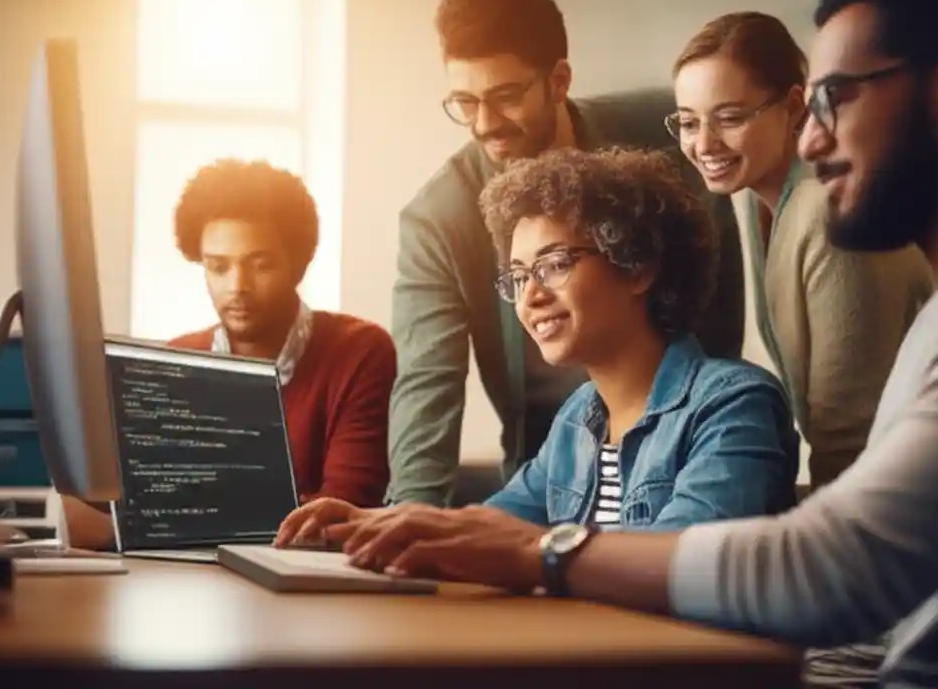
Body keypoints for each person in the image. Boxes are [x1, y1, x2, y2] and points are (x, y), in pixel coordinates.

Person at [281, 0, 938, 685]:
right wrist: (392, 525)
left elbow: (842, 566)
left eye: (834, 98)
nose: (812, 138)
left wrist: (540, 552)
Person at [276, 147, 798, 549]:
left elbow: (684, 560)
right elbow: (496, 521)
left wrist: (532, 551)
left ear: (638, 265)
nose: (531, 296)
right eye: (519, 276)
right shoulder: (579, 419)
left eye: (554, 265)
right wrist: (369, 521)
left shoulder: (734, 403)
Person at [388, 0, 746, 508]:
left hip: (681, 454)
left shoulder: (666, 136)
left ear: (558, 80)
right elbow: (425, 389)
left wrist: (709, 420)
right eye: (464, 102)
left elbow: (715, 294)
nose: (485, 125)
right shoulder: (438, 217)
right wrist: (404, 525)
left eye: (506, 96)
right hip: (551, 477)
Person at [63, 159, 394, 549]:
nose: (237, 287)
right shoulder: (180, 358)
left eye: (261, 265)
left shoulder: (359, 350)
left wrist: (148, 526)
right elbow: (146, 499)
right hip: (192, 583)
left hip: (307, 590)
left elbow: (339, 511)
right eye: (218, 267)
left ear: (298, 264)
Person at [668, 12, 933, 491]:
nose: (703, 144)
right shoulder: (758, 200)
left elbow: (850, 433)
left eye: (729, 118)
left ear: (794, 106)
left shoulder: (830, 212)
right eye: (688, 122)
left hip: (916, 494)